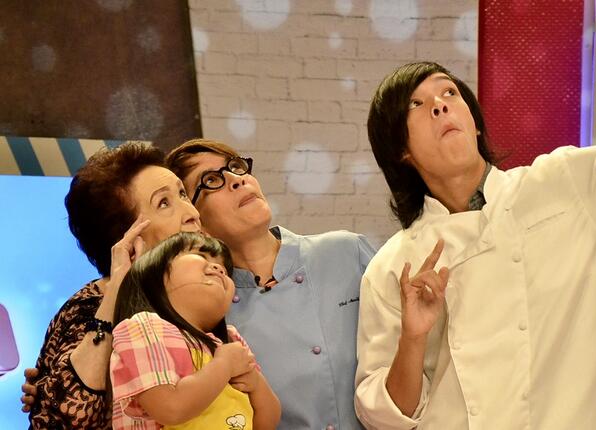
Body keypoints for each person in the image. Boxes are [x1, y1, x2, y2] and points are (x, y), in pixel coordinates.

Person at [354, 61, 596, 429]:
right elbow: (382, 417)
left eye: (449, 92)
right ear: (400, 149)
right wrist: (413, 338)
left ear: (475, 123)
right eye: (416, 104)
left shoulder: (565, 183)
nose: (439, 105)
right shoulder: (395, 264)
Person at [166, 139, 376, 430]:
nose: (237, 180)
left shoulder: (346, 252)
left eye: (236, 167)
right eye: (212, 180)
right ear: (195, 220)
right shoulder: (209, 315)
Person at [22, 142, 202, 429]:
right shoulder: (88, 307)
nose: (192, 211)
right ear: (127, 239)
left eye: (182, 194)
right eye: (163, 203)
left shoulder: (199, 290)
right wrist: (118, 290)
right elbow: (65, 418)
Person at [110, 231, 280, 429]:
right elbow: (170, 409)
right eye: (201, 255)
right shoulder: (144, 327)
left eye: (226, 270)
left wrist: (256, 383)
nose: (219, 268)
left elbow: (266, 422)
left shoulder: (231, 339)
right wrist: (224, 365)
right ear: (154, 273)